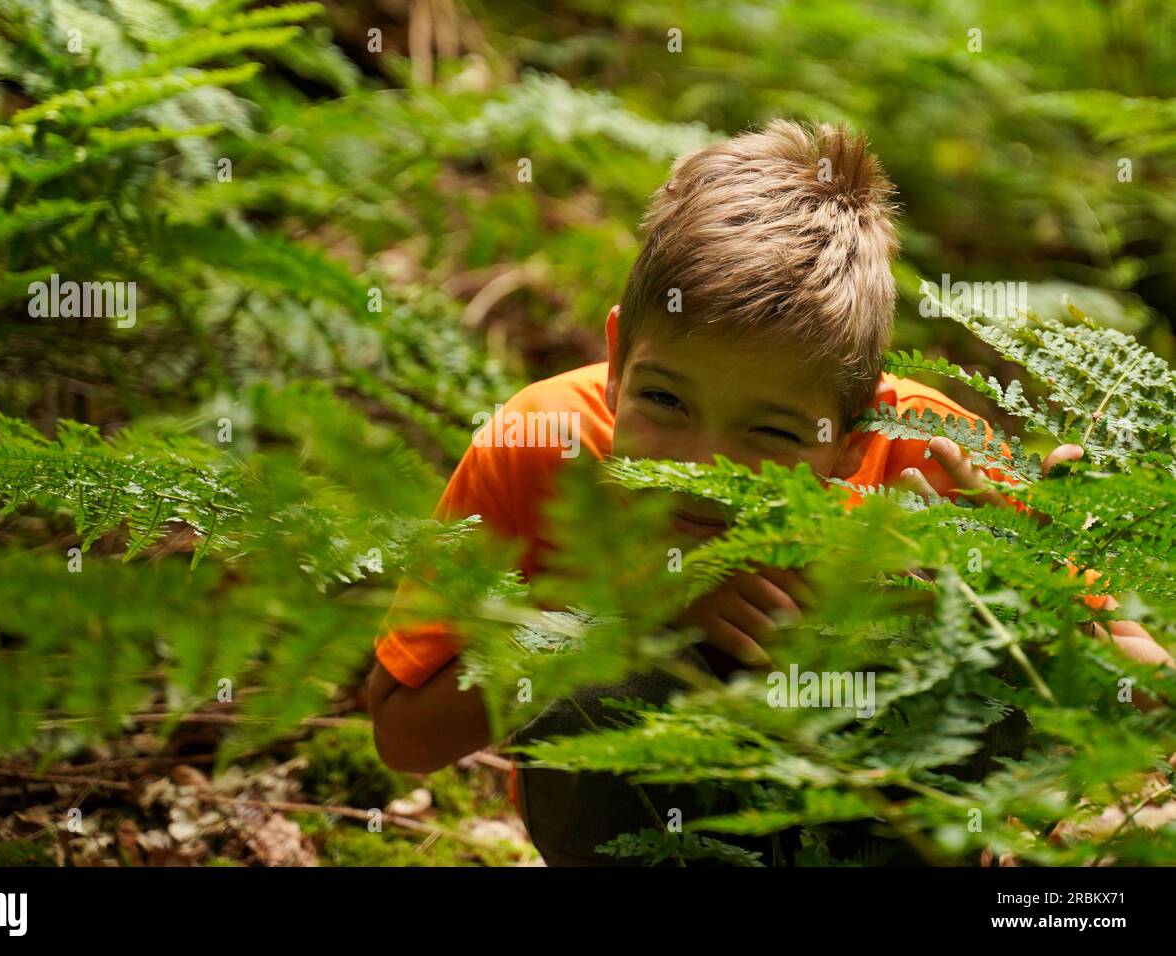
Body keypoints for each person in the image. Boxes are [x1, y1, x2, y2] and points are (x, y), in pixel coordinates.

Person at [366, 120, 1172, 865]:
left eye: (774, 433)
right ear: (616, 362)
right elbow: (401, 734)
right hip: (639, 823)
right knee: (599, 695)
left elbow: (1146, 695)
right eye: (667, 402)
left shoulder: (928, 458)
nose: (704, 464)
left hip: (888, 829)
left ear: (854, 434)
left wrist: (1032, 601)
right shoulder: (539, 443)